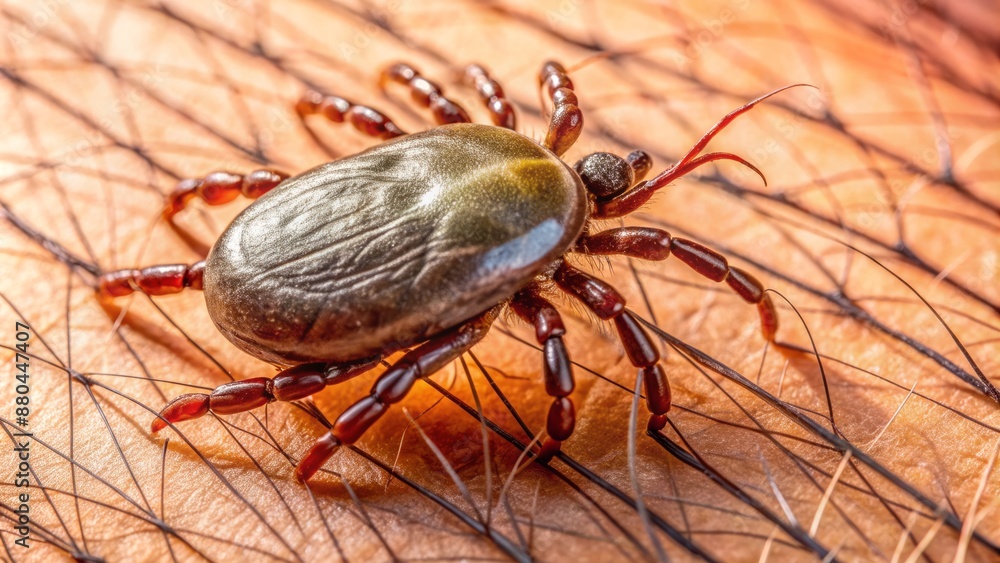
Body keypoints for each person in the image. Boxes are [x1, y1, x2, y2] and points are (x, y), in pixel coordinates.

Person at [1, 0, 997, 560]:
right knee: (471, 351)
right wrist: (590, 429)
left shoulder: (490, 127)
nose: (618, 172)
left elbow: (405, 102)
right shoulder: (570, 252)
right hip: (309, 274)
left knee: (376, 339)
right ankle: (286, 413)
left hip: (274, 244)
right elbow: (586, 339)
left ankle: (169, 299)